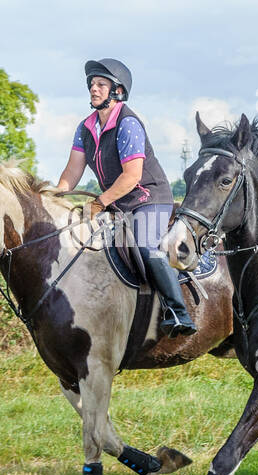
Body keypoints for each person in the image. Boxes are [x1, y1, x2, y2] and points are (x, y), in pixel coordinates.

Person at [54, 58, 197, 337]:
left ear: (117, 91)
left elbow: (132, 176)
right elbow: (72, 172)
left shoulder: (127, 123)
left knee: (145, 246)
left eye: (100, 85)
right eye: (92, 84)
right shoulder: (85, 128)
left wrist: (98, 202)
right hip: (117, 203)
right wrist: (52, 196)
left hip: (149, 198)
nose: (93, 89)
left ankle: (178, 312)